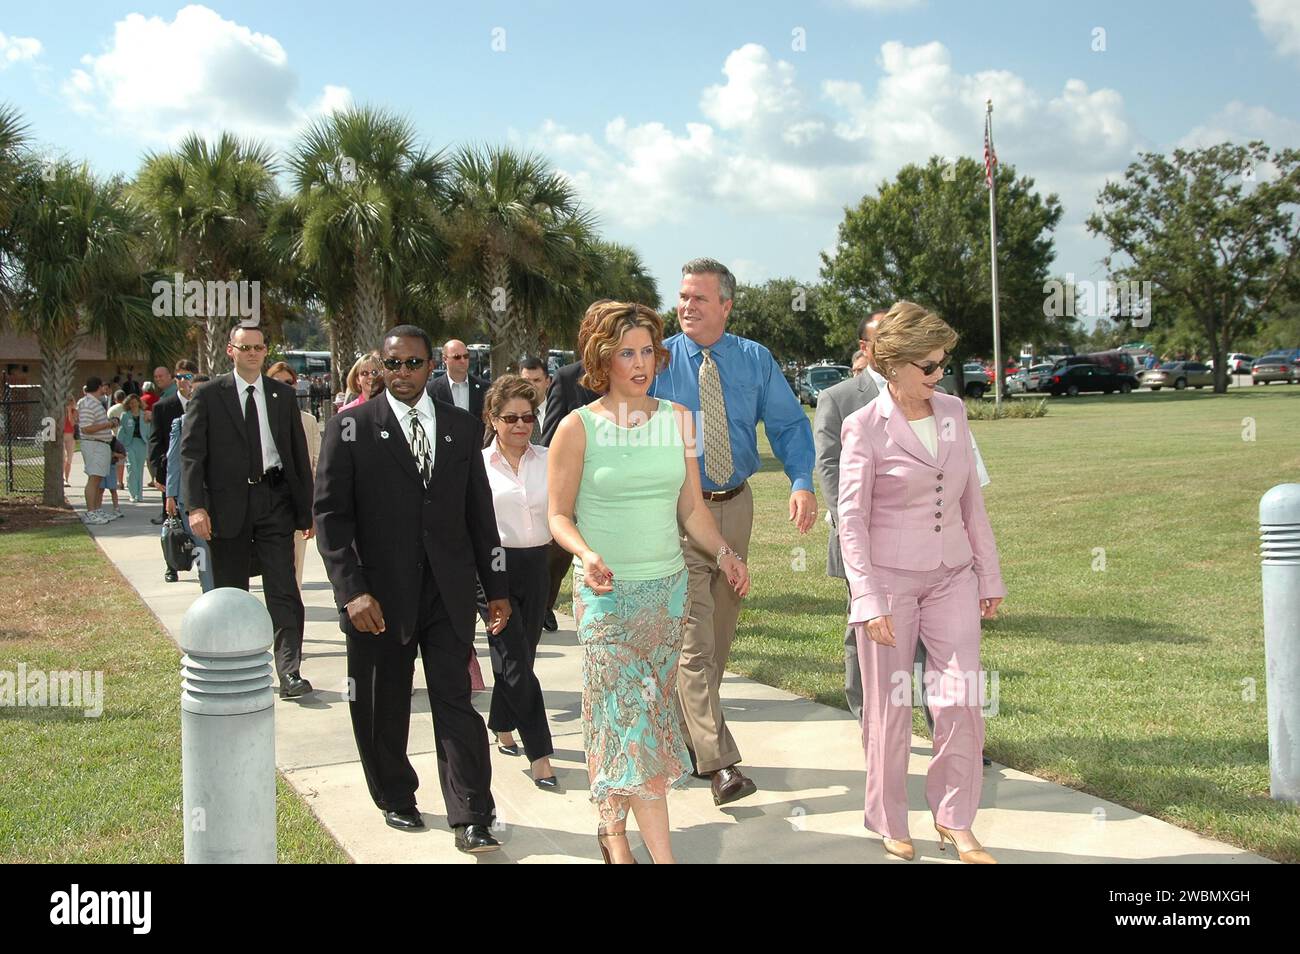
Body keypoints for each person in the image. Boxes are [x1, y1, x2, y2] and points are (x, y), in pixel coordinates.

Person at [548, 301, 750, 864]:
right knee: (633, 724)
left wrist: (726, 552)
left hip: (667, 595)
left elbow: (692, 508)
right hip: (607, 598)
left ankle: (611, 832)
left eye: (647, 352)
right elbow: (558, 515)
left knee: (628, 720)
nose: (640, 364)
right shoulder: (577, 427)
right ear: (601, 359)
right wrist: (585, 553)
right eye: (625, 353)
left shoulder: (677, 419)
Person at [314, 324, 510, 852]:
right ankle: (395, 796)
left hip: (446, 591)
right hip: (377, 598)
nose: (402, 374)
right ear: (380, 367)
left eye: (413, 363)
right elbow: (332, 519)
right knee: (382, 704)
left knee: (456, 701)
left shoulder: (462, 428)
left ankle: (472, 813)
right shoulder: (350, 427)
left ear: (432, 366)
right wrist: (351, 591)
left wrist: (494, 586)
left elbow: (479, 512)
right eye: (392, 364)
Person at [838, 301, 1006, 864]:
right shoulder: (862, 426)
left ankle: (955, 818)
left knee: (962, 697)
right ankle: (890, 818)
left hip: (953, 574)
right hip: (887, 583)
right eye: (929, 366)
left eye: (943, 365)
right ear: (895, 365)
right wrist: (865, 598)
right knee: (890, 707)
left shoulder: (955, 411)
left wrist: (990, 574)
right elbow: (853, 520)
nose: (940, 376)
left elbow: (970, 503)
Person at [648, 257, 816, 806]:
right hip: (677, 514)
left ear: (726, 304)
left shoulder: (754, 360)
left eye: (699, 297)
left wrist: (800, 480)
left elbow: (789, 424)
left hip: (736, 506)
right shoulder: (661, 360)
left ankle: (689, 741)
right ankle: (722, 764)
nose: (687, 306)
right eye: (682, 297)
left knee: (717, 635)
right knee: (694, 636)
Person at [180, 325, 315, 698]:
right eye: (246, 347)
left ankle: (290, 672)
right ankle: (232, 667)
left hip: (275, 500)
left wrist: (308, 511)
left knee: (284, 589)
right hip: (228, 507)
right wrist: (196, 506)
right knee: (231, 591)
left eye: (259, 347)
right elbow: (192, 454)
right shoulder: (208, 395)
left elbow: (296, 456)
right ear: (231, 350)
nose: (253, 353)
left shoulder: (282, 396)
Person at [479, 374, 557, 789]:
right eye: (510, 418)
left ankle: (501, 722)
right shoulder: (477, 466)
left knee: (520, 661)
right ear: (493, 419)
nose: (520, 426)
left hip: (537, 566)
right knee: (512, 661)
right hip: (493, 569)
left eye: (528, 417)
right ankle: (541, 752)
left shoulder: (549, 459)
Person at [813, 311, 885, 723]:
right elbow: (829, 465)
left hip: (919, 539)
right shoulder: (838, 398)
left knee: (930, 636)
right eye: (884, 338)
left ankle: (945, 726)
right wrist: (850, 527)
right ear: (865, 347)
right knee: (864, 628)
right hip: (862, 535)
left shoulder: (925, 391)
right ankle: (870, 720)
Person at [539, 307, 603, 633]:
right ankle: (543, 605)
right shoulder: (566, 379)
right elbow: (549, 439)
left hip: (614, 493)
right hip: (574, 489)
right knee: (557, 558)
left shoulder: (636, 378)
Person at [268, 362, 323, 587]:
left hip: (297, 504)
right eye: (277, 382)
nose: (283, 387)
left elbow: (317, 466)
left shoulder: (308, 421)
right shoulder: (257, 421)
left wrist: (312, 508)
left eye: (288, 383)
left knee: (295, 563)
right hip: (266, 503)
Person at [165, 375, 214, 592]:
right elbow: (174, 461)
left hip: (224, 498)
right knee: (202, 552)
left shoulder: (229, 420)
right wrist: (171, 495)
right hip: (192, 501)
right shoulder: (181, 423)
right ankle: (209, 594)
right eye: (195, 393)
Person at [148, 361, 198, 558]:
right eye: (179, 377)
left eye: (187, 377)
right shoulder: (162, 407)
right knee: (171, 522)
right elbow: (154, 442)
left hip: (197, 473)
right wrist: (157, 474)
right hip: (171, 474)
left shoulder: (204, 404)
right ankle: (172, 563)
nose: (182, 381)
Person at [76, 377, 117, 525]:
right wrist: (108, 425)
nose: (105, 390)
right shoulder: (88, 404)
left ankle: (96, 509)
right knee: (94, 478)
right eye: (104, 387)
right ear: (99, 387)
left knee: (98, 479)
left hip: (101, 444)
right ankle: (90, 512)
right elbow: (86, 428)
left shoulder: (95, 403)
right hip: (94, 445)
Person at [427, 338, 487, 417]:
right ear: (445, 359)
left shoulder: (485, 388)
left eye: (466, 356)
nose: (463, 360)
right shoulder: (431, 390)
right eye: (457, 357)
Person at [117, 394, 149, 503]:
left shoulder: (144, 414)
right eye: (131, 403)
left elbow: (149, 430)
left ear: (139, 402)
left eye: (135, 402)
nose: (133, 404)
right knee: (131, 467)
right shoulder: (125, 415)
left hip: (142, 443)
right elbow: (121, 432)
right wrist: (120, 446)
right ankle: (132, 493)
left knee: (140, 469)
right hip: (129, 444)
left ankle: (139, 494)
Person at [516, 355, 550, 444]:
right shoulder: (509, 416)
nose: (531, 385)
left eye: (536, 380)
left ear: (547, 382)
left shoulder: (558, 414)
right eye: (526, 381)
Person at [62, 397, 77, 487]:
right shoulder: (60, 412)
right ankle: (62, 478)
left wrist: (69, 412)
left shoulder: (74, 412)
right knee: (63, 458)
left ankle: (66, 478)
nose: (70, 404)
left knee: (69, 459)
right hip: (62, 435)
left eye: (71, 402)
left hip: (70, 435)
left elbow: (72, 423)